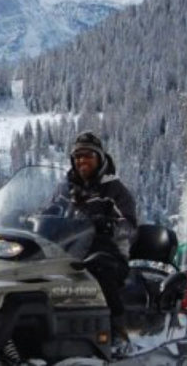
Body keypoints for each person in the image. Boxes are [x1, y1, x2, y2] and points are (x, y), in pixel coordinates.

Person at [46, 132, 137, 345]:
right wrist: (29, 219)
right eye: (78, 157)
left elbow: (131, 227)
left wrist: (110, 225)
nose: (82, 161)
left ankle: (118, 332)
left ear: (100, 159)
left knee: (99, 269)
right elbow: (48, 213)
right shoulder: (64, 190)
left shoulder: (114, 190)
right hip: (68, 252)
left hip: (109, 253)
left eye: (88, 156)